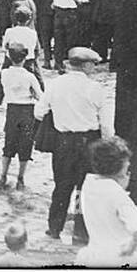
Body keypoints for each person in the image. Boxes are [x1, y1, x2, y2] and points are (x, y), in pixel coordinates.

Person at [35, 46, 108, 243]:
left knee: (62, 185)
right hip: (89, 142)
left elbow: (38, 111)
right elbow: (106, 124)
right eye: (92, 64)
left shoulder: (56, 84)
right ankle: (81, 231)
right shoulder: (95, 88)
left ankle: (54, 227)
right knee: (85, 188)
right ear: (85, 65)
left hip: (63, 142)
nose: (94, 68)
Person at [77, 136, 137, 268]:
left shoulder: (87, 184)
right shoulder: (118, 194)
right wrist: (131, 247)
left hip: (94, 252)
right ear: (120, 168)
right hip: (118, 255)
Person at [0, 44, 43, 189]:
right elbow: (40, 96)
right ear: (25, 58)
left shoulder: (4, 73)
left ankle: (3, 175)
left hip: (12, 111)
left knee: (9, 143)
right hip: (27, 111)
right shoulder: (29, 76)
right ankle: (20, 178)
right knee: (25, 144)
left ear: (9, 57)